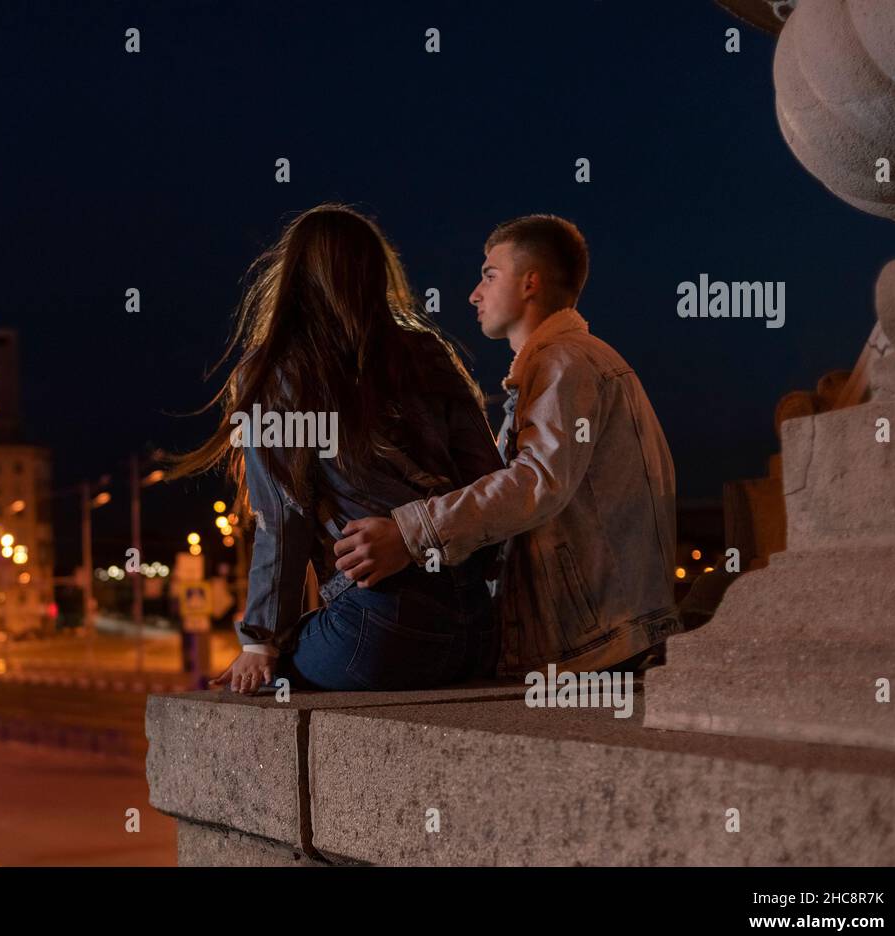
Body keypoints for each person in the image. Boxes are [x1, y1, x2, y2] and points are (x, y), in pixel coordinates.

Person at [170, 204, 504, 693]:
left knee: (272, 676)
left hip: (383, 632)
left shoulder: (276, 373)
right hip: (477, 629)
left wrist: (260, 642)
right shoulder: (428, 354)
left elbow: (284, 520)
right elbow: (491, 481)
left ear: (295, 278)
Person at [335, 215, 682, 675]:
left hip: (598, 646)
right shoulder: (569, 362)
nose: (474, 294)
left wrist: (410, 534)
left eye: (489, 275)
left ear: (530, 282)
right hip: (603, 638)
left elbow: (536, 482)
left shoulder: (566, 362)